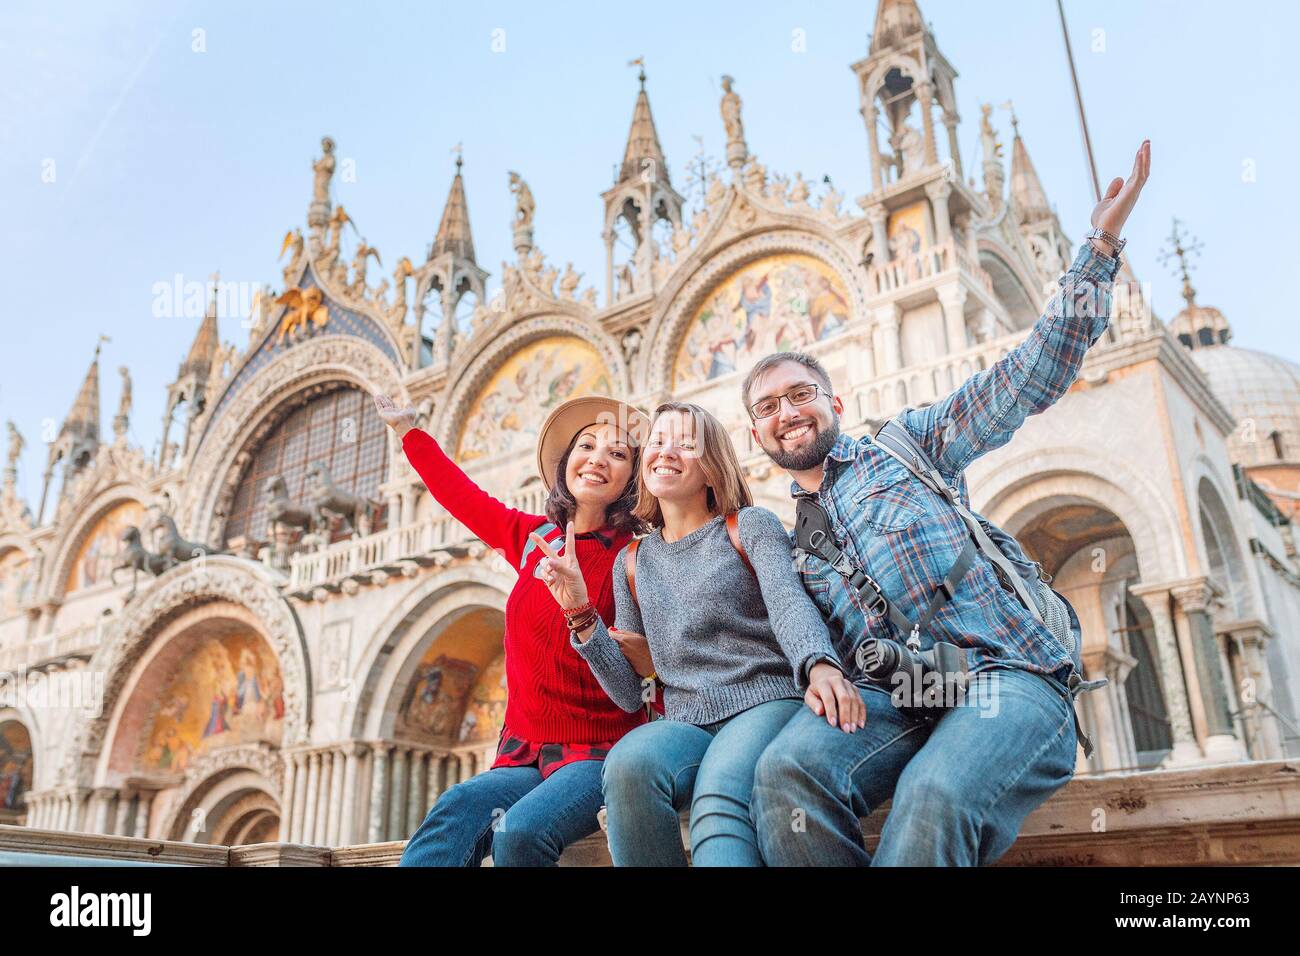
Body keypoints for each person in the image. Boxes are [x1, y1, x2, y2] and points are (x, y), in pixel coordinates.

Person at [746, 141, 1151, 866]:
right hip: (899, 700)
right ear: (756, 431)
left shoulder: (910, 447)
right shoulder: (785, 542)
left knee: (934, 794)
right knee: (784, 774)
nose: (788, 412)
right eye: (769, 405)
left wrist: (1101, 247)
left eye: (801, 394)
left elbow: (1033, 372)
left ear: (834, 403)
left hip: (1009, 679)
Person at [528, 401, 862, 866]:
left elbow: (789, 604)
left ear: (711, 467)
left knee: (718, 795)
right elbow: (629, 694)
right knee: (628, 765)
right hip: (685, 721)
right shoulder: (634, 561)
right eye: (659, 442)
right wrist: (581, 613)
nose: (666, 452)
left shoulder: (749, 525)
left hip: (764, 702)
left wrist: (818, 664)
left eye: (686, 444)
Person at [375, 392, 652, 866]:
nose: (597, 460)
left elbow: (638, 677)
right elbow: (460, 496)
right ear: (567, 462)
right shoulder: (532, 539)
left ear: (632, 478)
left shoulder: (639, 558)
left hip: (599, 755)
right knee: (454, 811)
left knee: (520, 832)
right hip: (524, 755)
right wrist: (408, 432)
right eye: (587, 446)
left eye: (618, 453)